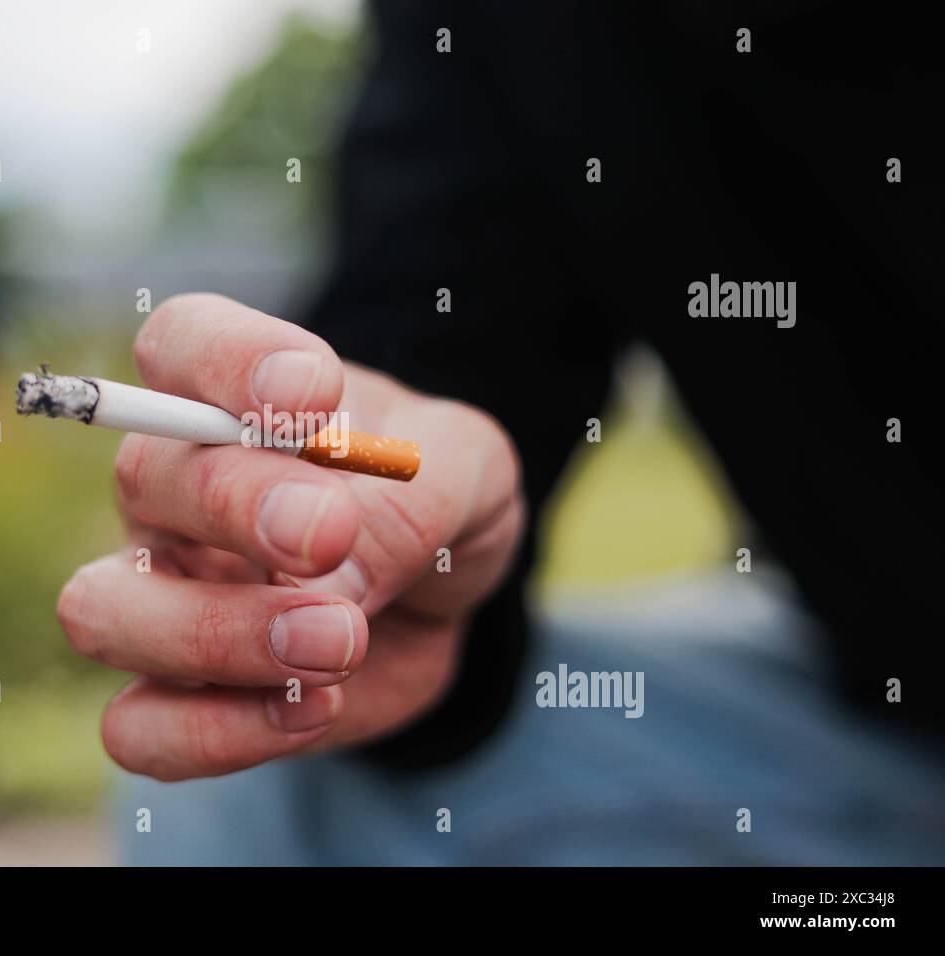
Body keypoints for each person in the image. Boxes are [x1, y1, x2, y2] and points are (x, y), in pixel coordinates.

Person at [57, 1, 945, 862]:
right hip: (895, 714)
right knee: (257, 775)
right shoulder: (514, 27)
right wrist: (359, 557)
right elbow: (439, 349)